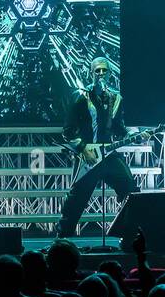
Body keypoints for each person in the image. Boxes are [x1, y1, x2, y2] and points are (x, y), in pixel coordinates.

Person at [55, 56, 138, 237]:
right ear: (90, 72)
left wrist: (132, 135)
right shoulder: (80, 96)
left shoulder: (116, 97)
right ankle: (62, 238)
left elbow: (118, 128)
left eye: (104, 70)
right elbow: (68, 131)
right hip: (88, 154)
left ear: (109, 73)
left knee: (130, 189)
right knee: (77, 198)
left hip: (109, 153)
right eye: (97, 70)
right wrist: (83, 149)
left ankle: (127, 234)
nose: (101, 73)